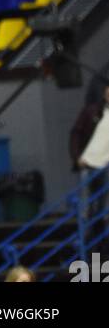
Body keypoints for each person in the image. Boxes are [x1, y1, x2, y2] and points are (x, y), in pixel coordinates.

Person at [69, 82, 109, 230]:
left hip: (106, 165)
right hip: (88, 163)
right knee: (86, 208)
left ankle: (100, 247)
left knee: (103, 208)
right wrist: (76, 157)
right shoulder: (92, 111)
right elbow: (76, 133)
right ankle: (93, 250)